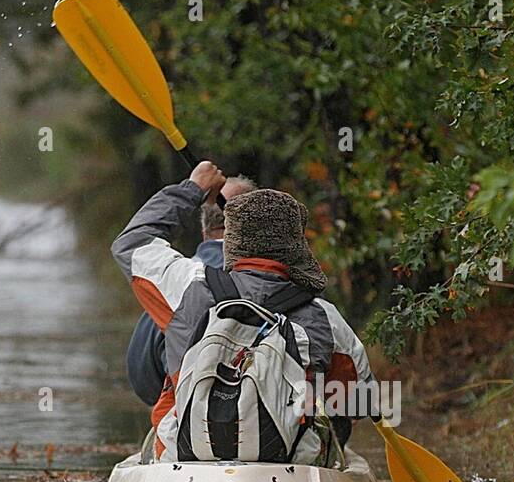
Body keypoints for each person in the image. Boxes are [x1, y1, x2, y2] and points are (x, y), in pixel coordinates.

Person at [111, 162, 377, 463]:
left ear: (232, 241)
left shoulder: (189, 287)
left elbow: (131, 243)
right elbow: (356, 406)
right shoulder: (325, 317)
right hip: (290, 467)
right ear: (296, 247)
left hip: (182, 459)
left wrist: (193, 188)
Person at [112, 164, 255, 407]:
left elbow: (132, 244)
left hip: (193, 434)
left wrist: (192, 188)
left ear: (203, 230)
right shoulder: (303, 290)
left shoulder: (178, 284)